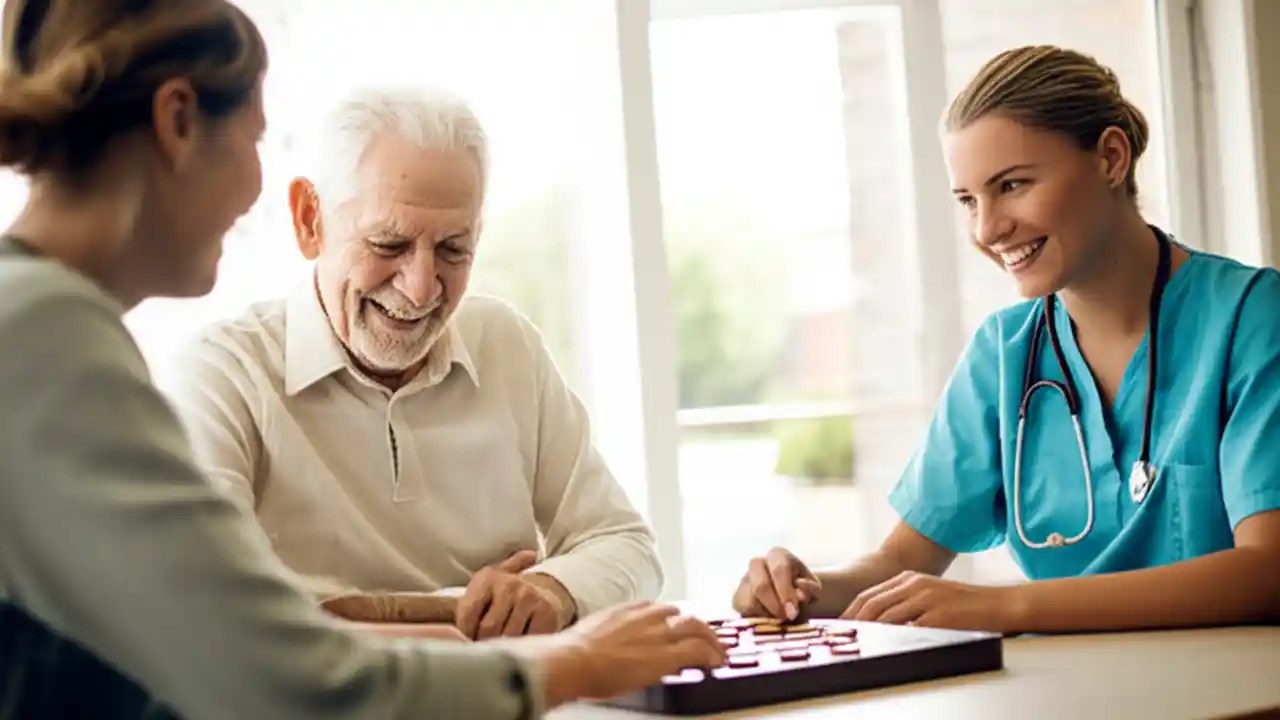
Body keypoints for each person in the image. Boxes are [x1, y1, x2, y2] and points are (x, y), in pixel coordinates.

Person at [0, 1, 723, 718]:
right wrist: (570, 660)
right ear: (179, 121)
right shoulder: (47, 337)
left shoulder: (38, 319)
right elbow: (271, 670)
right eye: (256, 139)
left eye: (453, 248)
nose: (255, 187)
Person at [733, 45, 1280, 632]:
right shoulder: (1005, 353)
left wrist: (1003, 606)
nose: (988, 229)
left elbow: (1267, 570)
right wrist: (804, 588)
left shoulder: (1252, 317)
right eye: (969, 200)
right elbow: (899, 563)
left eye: (1013, 185)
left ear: (1111, 158)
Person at [159, 87, 662, 642]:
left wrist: (554, 590)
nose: (421, 288)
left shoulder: (507, 345)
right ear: (310, 221)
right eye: (388, 243)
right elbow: (203, 611)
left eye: (453, 249)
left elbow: (626, 544)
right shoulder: (222, 375)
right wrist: (452, 621)